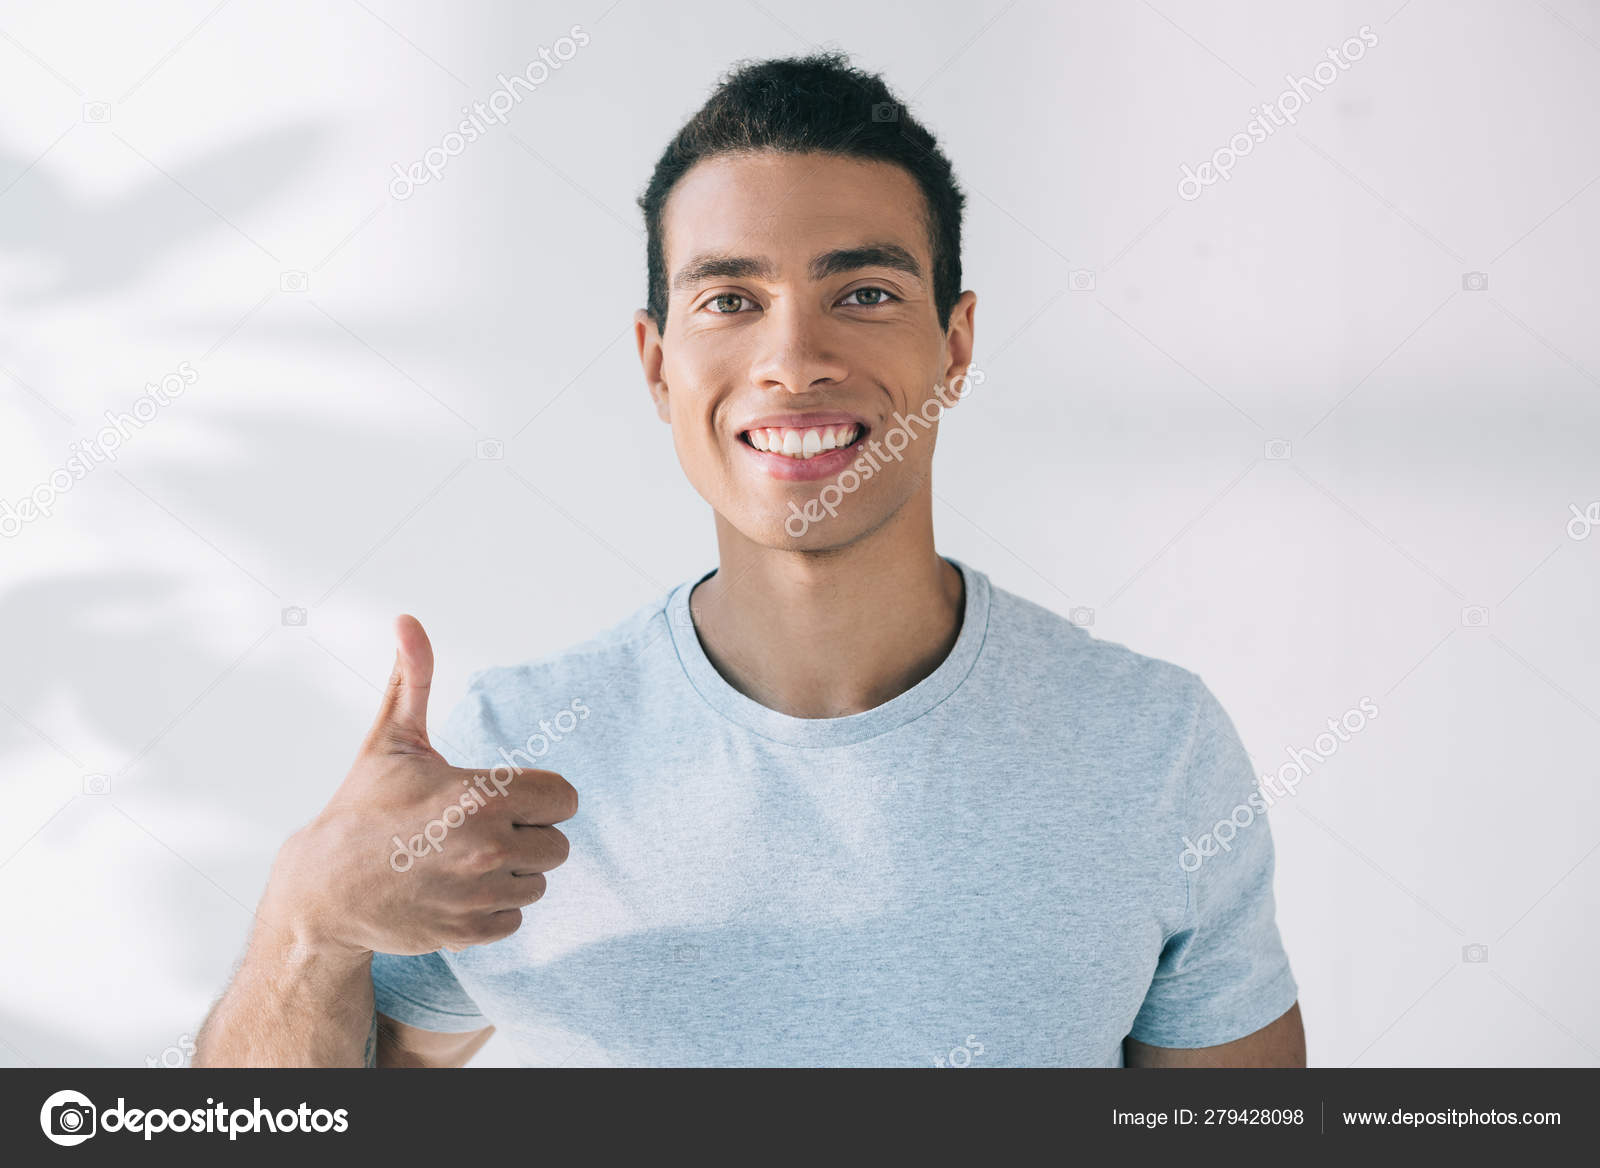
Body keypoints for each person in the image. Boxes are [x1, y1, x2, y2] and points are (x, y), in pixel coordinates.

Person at [195, 51, 1303, 1068]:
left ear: (954, 344)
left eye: (861, 293)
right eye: (730, 300)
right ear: (657, 363)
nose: (792, 359)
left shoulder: (1151, 746)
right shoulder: (507, 763)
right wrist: (308, 925)